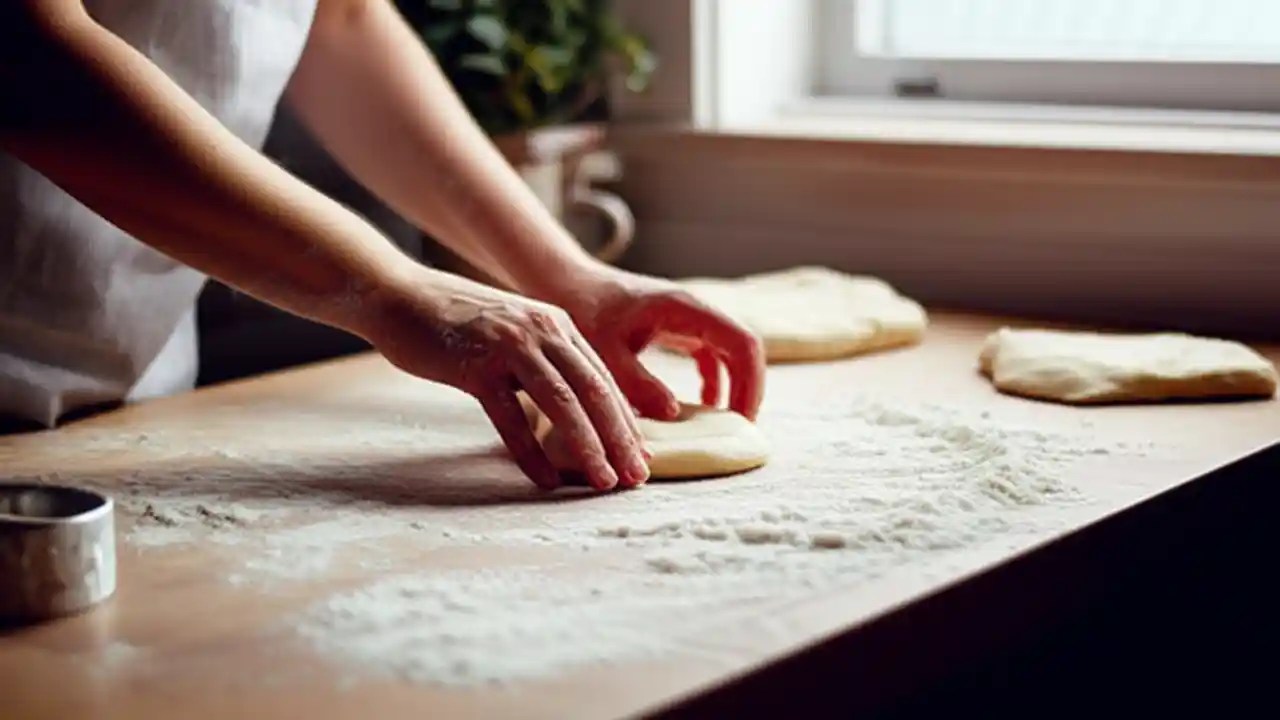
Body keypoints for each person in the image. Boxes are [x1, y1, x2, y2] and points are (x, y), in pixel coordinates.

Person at [0, 0, 764, 492]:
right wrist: (388, 288)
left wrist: (563, 275)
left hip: (129, 407)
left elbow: (341, 18)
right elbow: (30, 52)